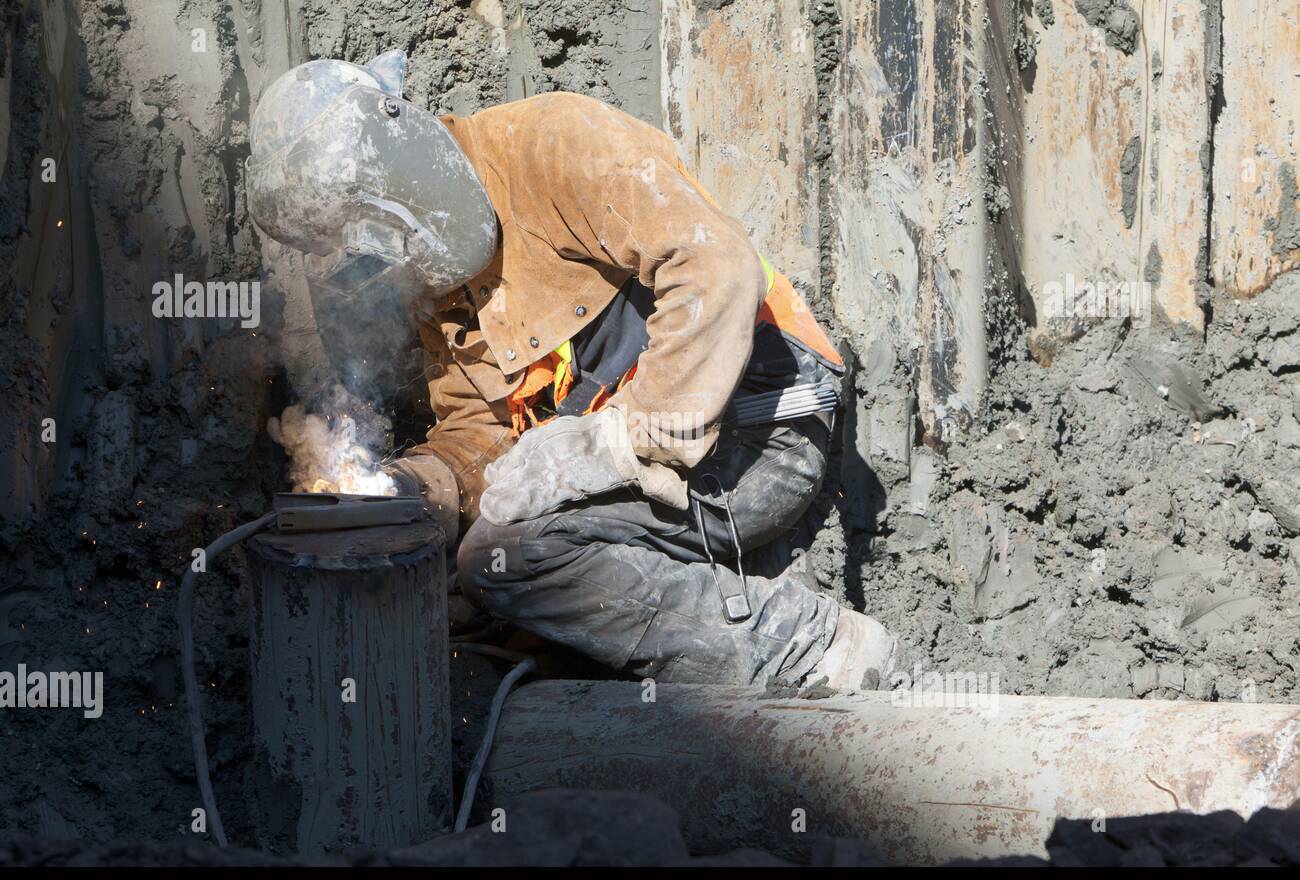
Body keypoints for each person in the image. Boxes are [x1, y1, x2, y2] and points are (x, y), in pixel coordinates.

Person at [245, 52, 896, 690]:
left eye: (371, 229)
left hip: (761, 424)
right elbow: (481, 430)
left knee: (510, 561)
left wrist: (620, 439)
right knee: (487, 583)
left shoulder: (552, 143)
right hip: (668, 463)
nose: (378, 257)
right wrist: (412, 490)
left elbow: (716, 266)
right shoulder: (443, 289)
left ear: (400, 169)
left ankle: (811, 644)